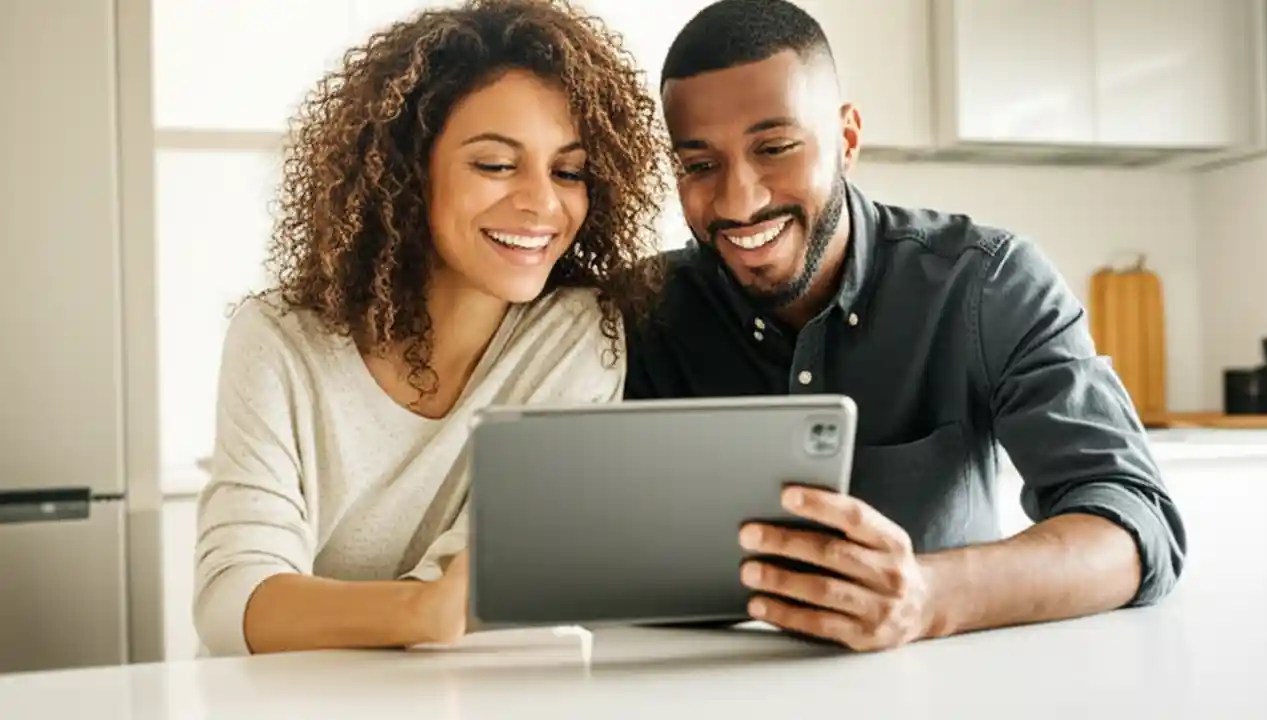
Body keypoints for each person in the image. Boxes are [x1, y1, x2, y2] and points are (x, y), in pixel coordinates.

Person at [625, 0, 1187, 652]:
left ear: (848, 139)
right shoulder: (641, 311)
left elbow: (1135, 523)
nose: (738, 201)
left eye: (774, 148)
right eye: (699, 165)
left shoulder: (988, 283)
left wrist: (928, 596)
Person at [193, 0, 668, 656]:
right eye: (496, 165)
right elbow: (231, 603)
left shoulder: (576, 336)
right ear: (409, 170)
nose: (542, 202)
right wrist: (420, 610)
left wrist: (417, 608)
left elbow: (483, 587)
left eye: (569, 171)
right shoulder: (279, 337)